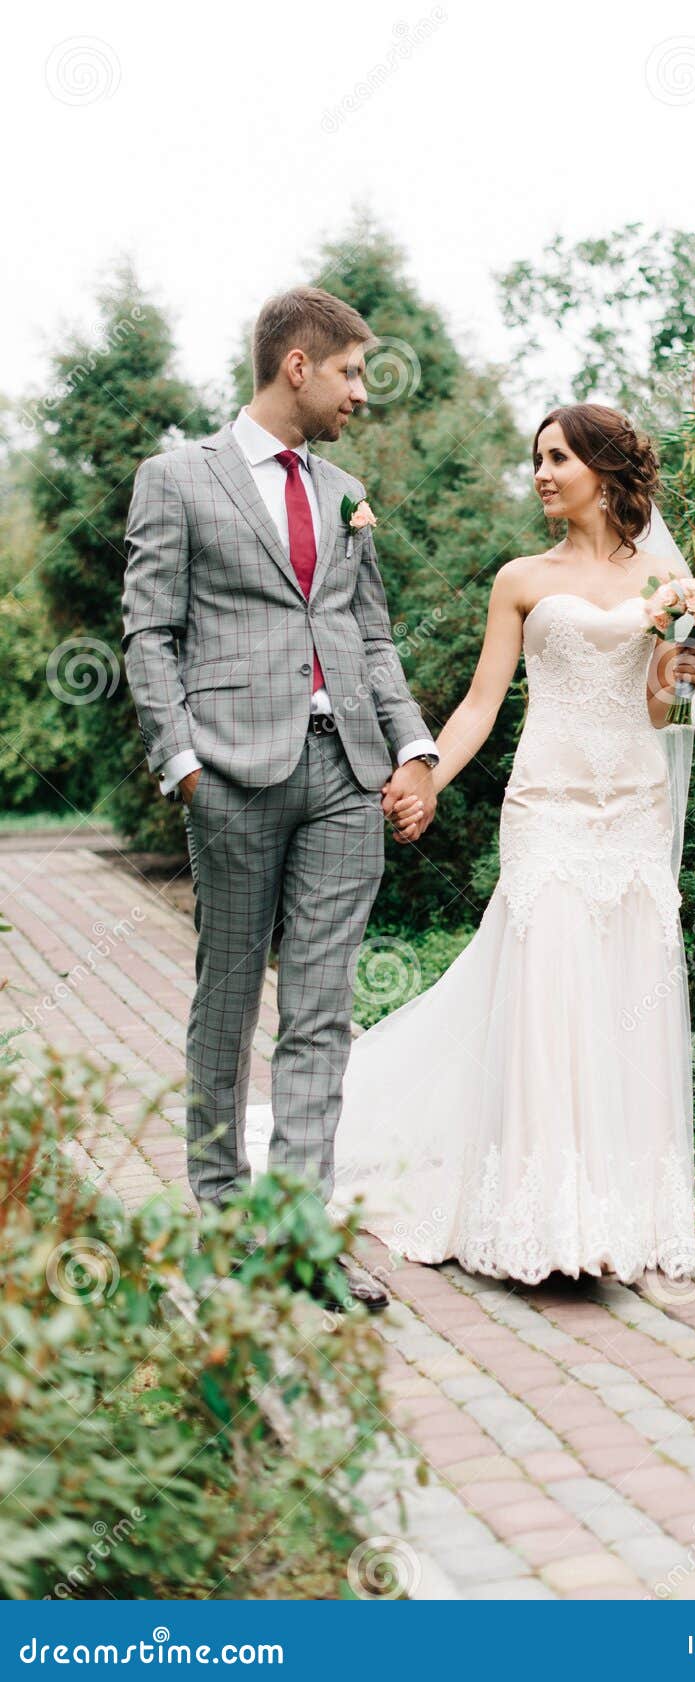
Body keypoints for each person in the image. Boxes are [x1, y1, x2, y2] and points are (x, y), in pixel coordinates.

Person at [247, 402, 695, 1287]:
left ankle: (613, 1215)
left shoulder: (667, 586)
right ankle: (542, 1222)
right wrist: (424, 775)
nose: (540, 474)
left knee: (623, 994)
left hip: (632, 807)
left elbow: (661, 709)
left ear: (607, 471)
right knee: (548, 992)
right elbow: (480, 703)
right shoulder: (520, 579)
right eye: (535, 459)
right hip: (546, 805)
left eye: (557, 459)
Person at [122, 286, 440, 1310]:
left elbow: (370, 634)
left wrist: (412, 749)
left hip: (346, 773)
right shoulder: (178, 477)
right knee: (226, 997)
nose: (362, 391)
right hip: (231, 773)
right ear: (296, 365)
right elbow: (147, 634)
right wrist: (179, 762)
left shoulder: (346, 488)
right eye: (350, 371)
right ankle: (221, 1210)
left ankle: (304, 1237)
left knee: (322, 1009)